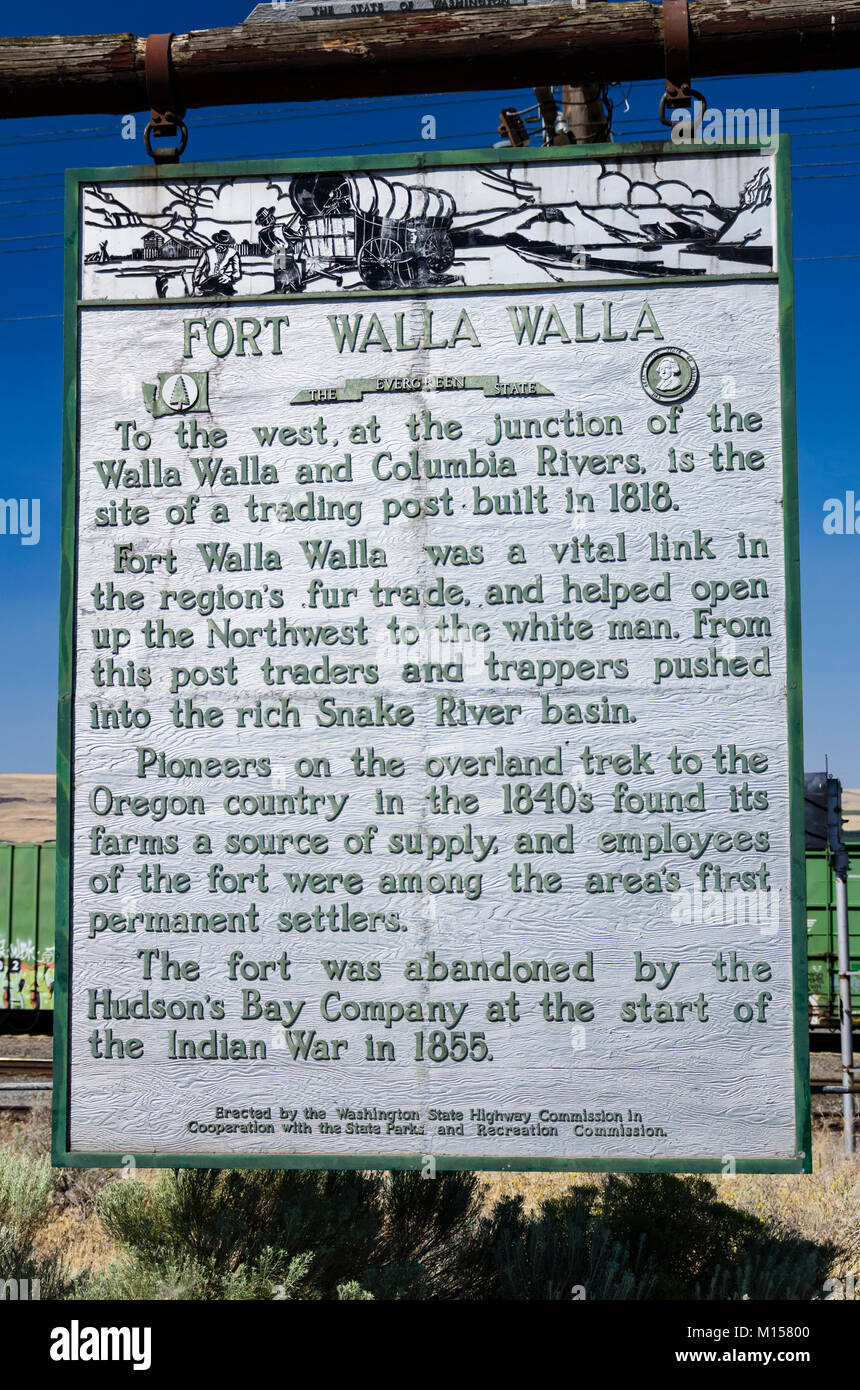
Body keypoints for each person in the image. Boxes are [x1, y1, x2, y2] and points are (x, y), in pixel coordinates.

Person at [193, 230, 241, 296]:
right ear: (215, 242)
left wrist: (230, 277)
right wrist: (196, 284)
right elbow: (199, 268)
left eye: (224, 245)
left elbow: (237, 272)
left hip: (224, 284)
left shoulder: (233, 253)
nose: (220, 247)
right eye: (218, 244)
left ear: (228, 245)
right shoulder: (208, 252)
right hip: (208, 283)